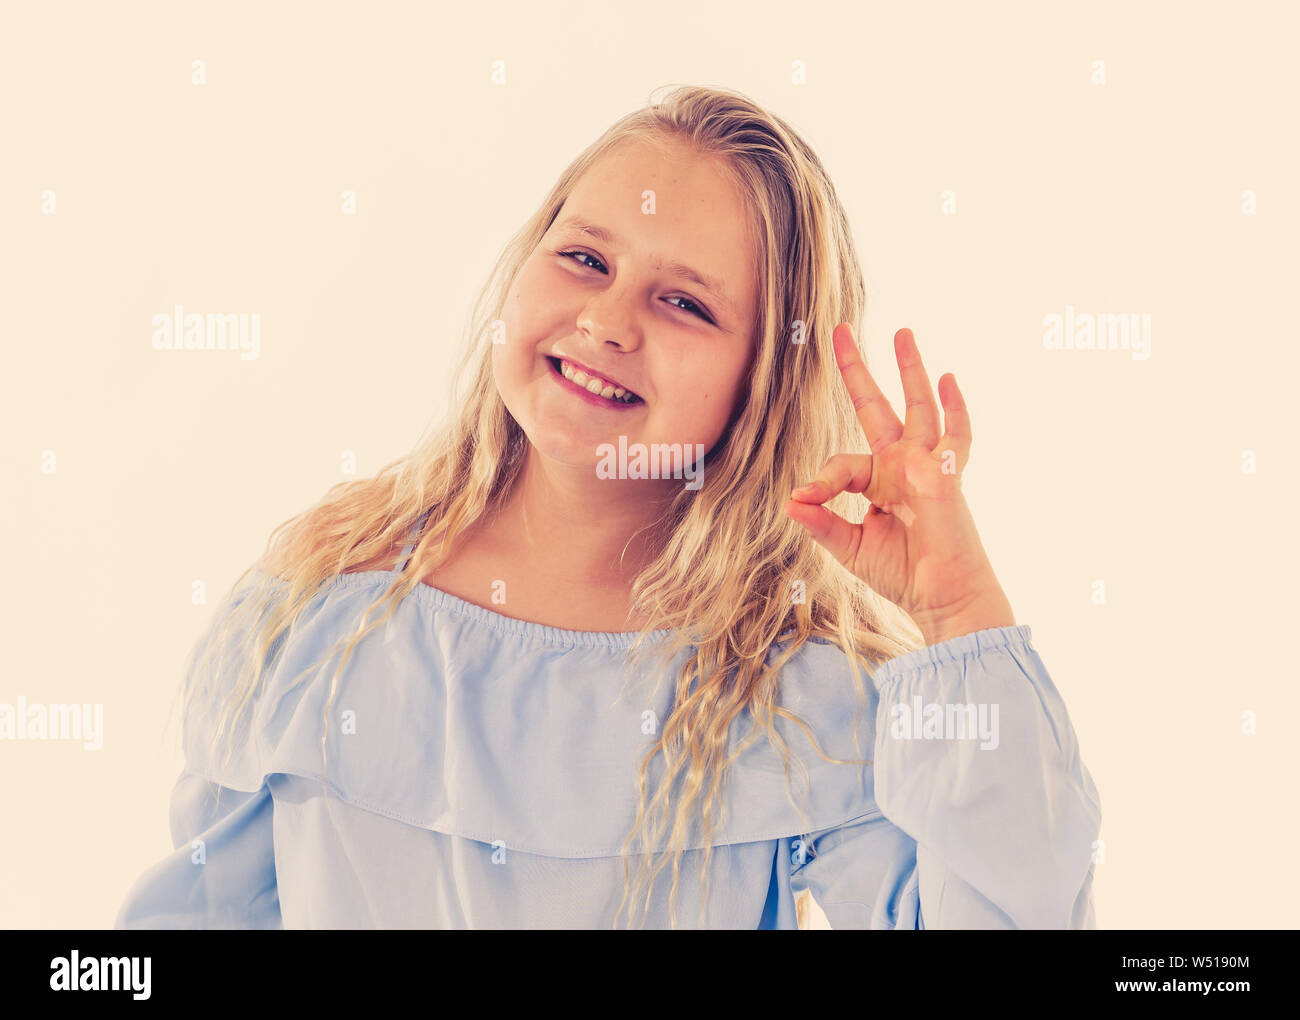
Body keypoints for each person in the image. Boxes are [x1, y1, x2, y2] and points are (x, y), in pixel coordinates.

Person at [114, 84, 1101, 929]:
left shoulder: (793, 694)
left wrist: (958, 610)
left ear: (763, 383)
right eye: (584, 259)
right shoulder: (317, 609)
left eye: (686, 304)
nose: (604, 321)